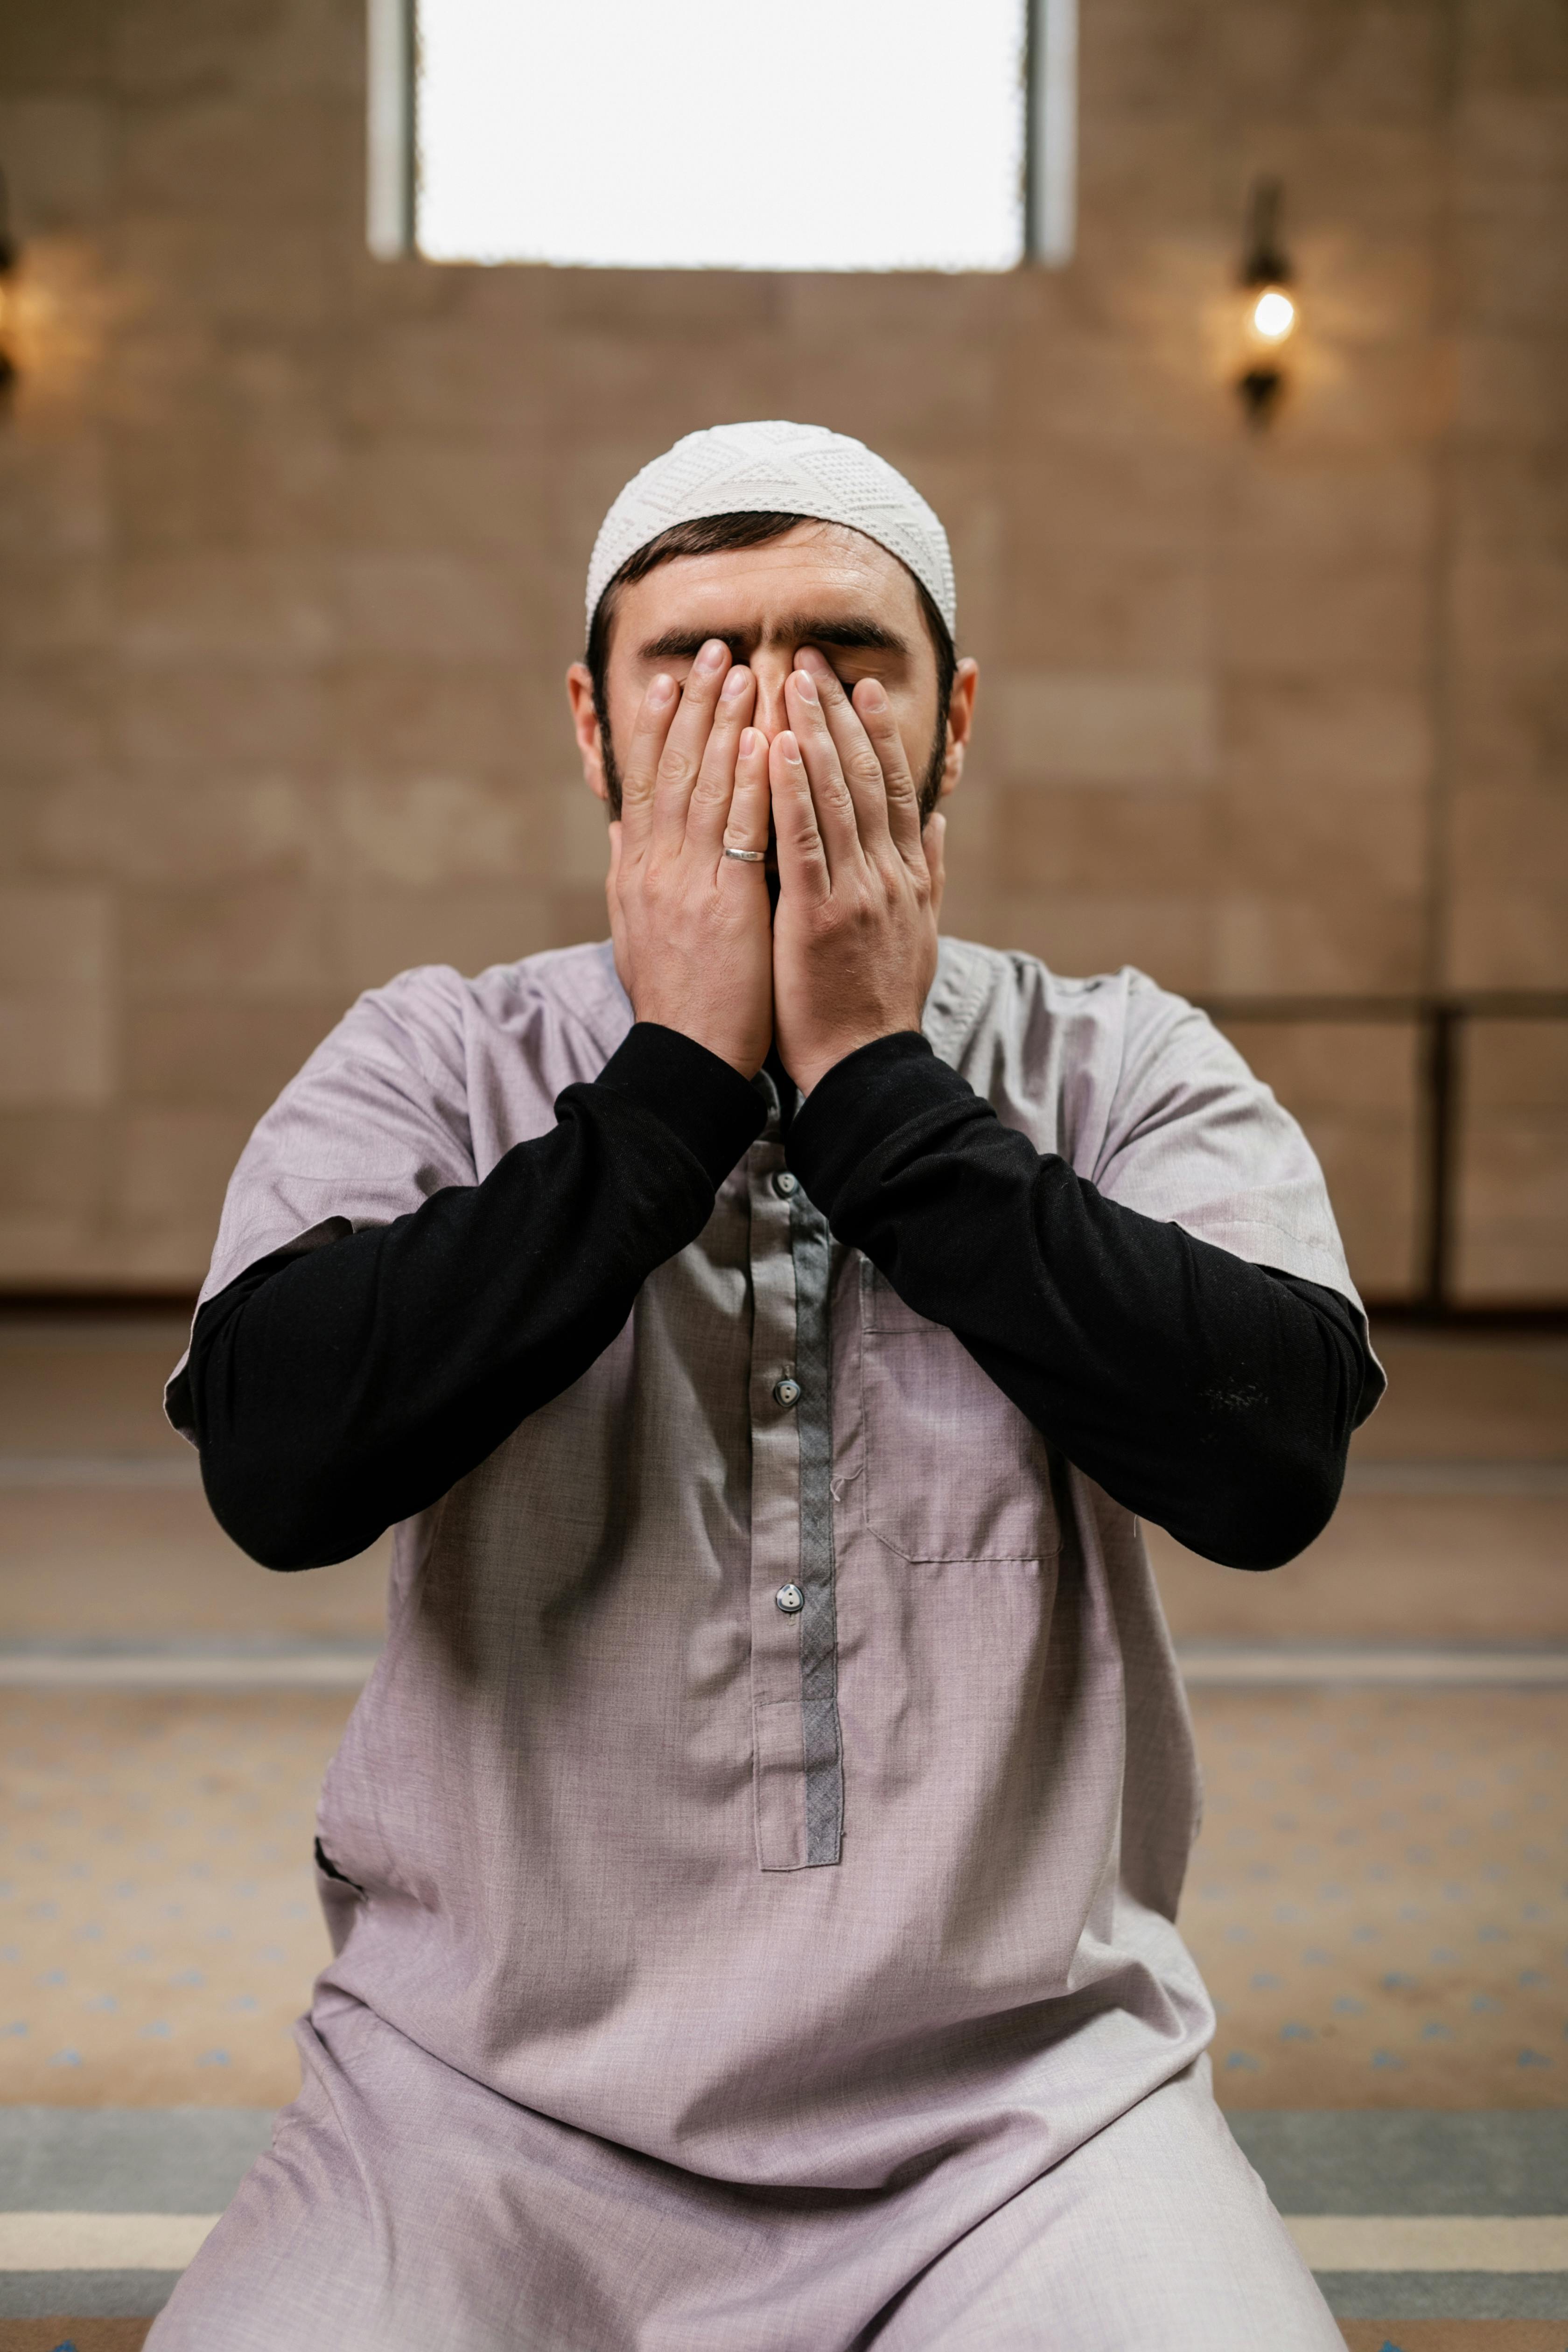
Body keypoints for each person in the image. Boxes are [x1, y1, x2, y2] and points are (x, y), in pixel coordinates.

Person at [150, 420, 1379, 2351]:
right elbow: (278, 1466)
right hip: (469, 2108)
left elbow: (1275, 1459)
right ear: (592, 724)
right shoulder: (434, 1056)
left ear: (953, 718)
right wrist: (672, 1093)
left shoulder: (1117, 1060)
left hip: (1032, 2121)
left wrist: (881, 1087)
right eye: (696, 661)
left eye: (843, 656)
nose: (769, 711)